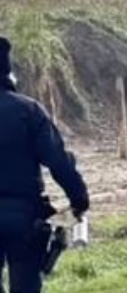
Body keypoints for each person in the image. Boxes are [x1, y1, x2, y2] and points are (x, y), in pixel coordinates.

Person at [0, 35, 90, 293]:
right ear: (9, 73)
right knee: (26, 285)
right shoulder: (29, 111)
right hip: (24, 218)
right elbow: (58, 160)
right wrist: (79, 199)